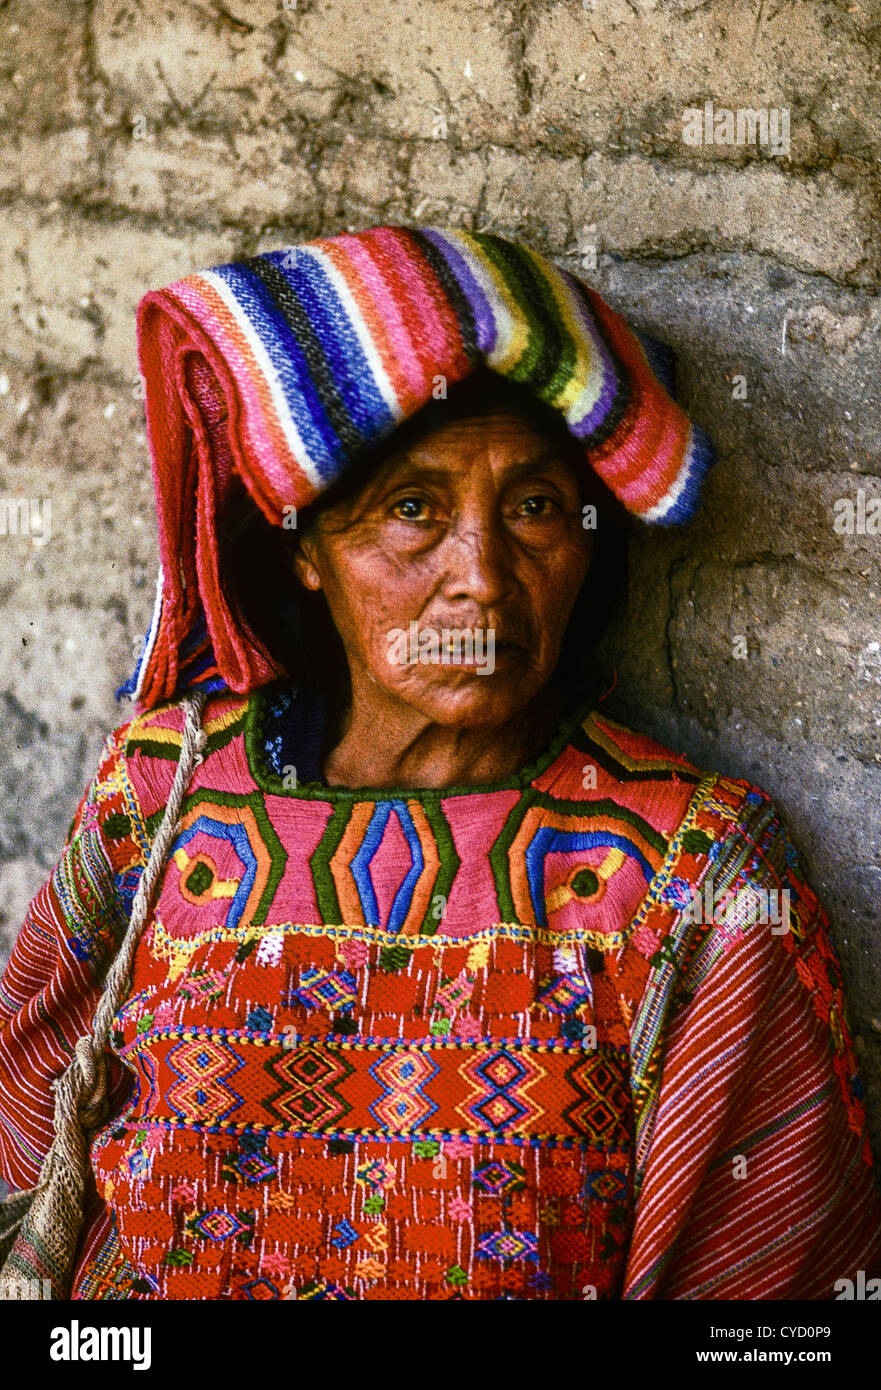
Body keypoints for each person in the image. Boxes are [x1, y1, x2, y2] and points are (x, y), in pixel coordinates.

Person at [0, 224, 878, 1301]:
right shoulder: (164, 794)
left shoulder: (693, 877)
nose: (482, 579)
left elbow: (756, 1287)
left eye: (535, 508)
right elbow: (20, 1144)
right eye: (412, 509)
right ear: (305, 546)